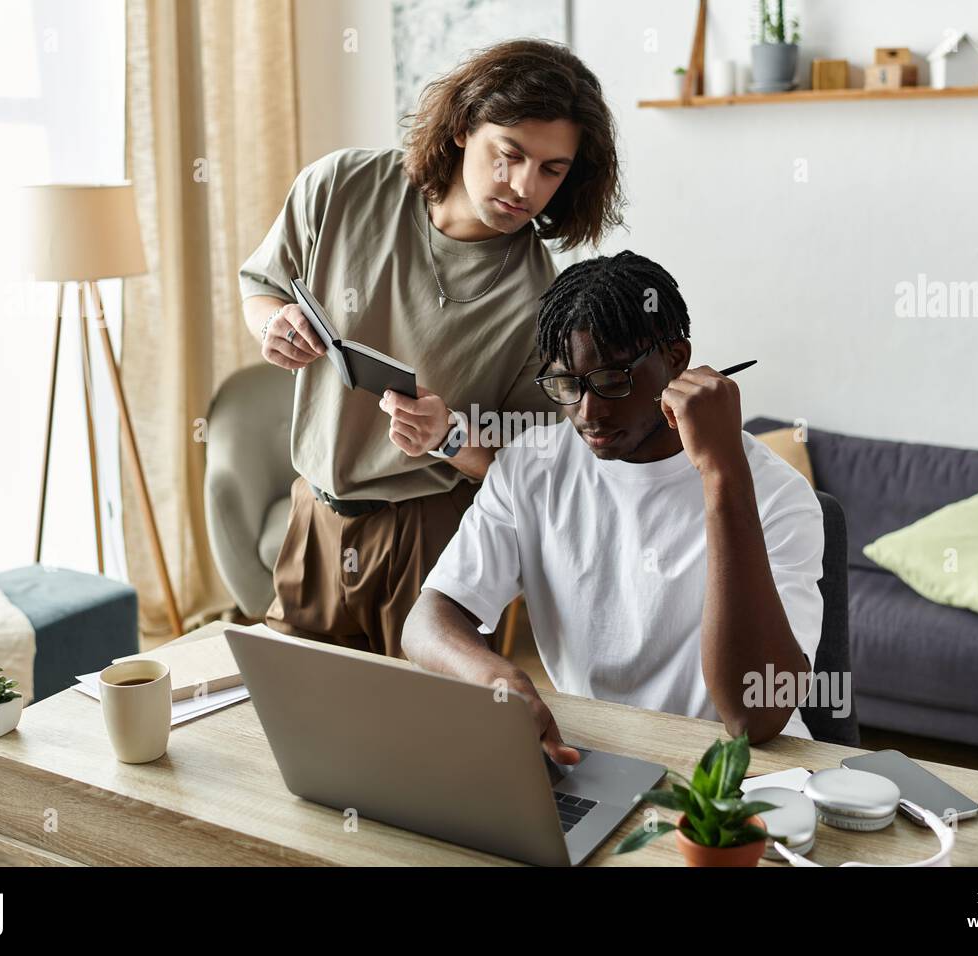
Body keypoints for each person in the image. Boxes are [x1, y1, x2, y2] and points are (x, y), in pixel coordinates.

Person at [237, 40, 623, 657]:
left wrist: (449, 436)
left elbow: (524, 468)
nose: (524, 186)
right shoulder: (341, 184)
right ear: (466, 126)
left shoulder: (546, 300)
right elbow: (262, 286)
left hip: (432, 532)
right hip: (314, 509)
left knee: (430, 738)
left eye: (552, 169)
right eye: (511, 153)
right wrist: (273, 325)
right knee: (292, 714)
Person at [402, 251, 825, 761]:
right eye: (567, 384)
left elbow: (752, 716)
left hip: (743, 770)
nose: (589, 411)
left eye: (612, 379)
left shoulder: (775, 493)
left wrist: (721, 474)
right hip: (597, 754)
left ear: (676, 358)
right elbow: (428, 621)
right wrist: (495, 675)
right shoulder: (529, 468)